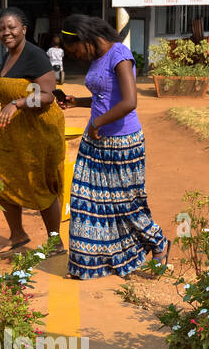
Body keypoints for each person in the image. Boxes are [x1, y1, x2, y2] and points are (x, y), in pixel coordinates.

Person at [55, 14, 169, 279]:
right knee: (86, 202)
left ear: (84, 38)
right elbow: (103, 96)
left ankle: (159, 243)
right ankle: (90, 263)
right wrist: (76, 103)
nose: (77, 56)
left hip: (122, 143)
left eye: (75, 50)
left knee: (126, 203)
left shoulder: (120, 55)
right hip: (95, 141)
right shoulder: (96, 58)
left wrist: (98, 124)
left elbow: (129, 101)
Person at [0, 8, 66, 251]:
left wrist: (17, 103)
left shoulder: (35, 55)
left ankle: (55, 242)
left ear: (24, 29)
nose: (6, 32)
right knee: (1, 180)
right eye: (2, 28)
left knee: (39, 184)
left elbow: (48, 96)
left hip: (38, 130)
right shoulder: (9, 54)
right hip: (13, 131)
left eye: (11, 27)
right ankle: (18, 234)